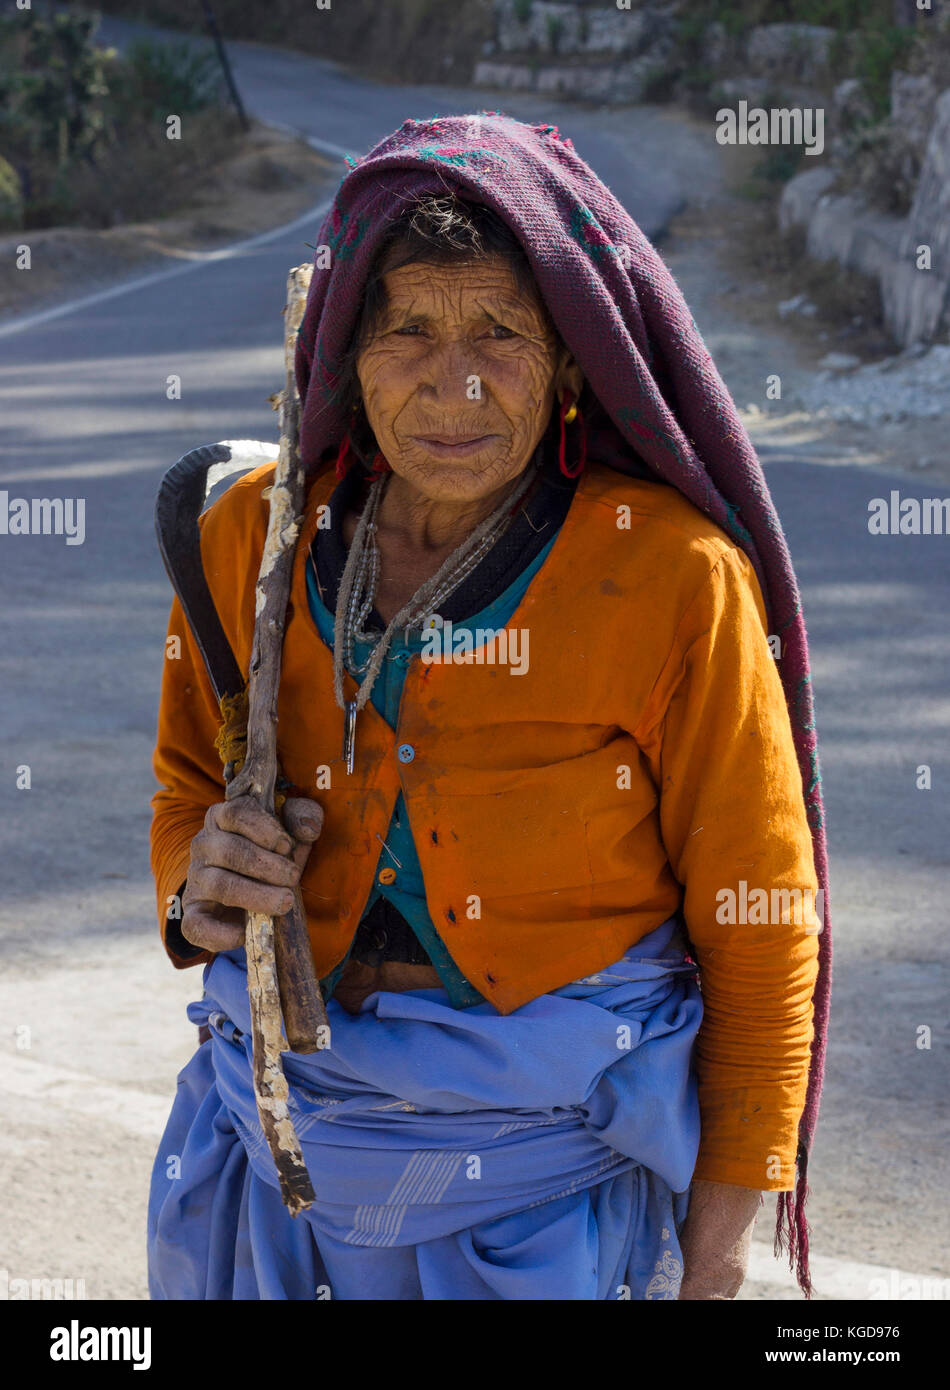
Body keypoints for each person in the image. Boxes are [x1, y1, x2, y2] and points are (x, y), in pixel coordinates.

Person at [147, 112, 830, 1301]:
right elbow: (185, 795)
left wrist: (713, 1261)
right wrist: (198, 883)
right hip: (277, 1157)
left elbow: (761, 924)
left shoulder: (669, 574)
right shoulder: (246, 540)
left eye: (502, 333)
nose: (452, 382)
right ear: (342, 354)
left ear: (570, 361)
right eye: (406, 326)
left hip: (539, 1198)